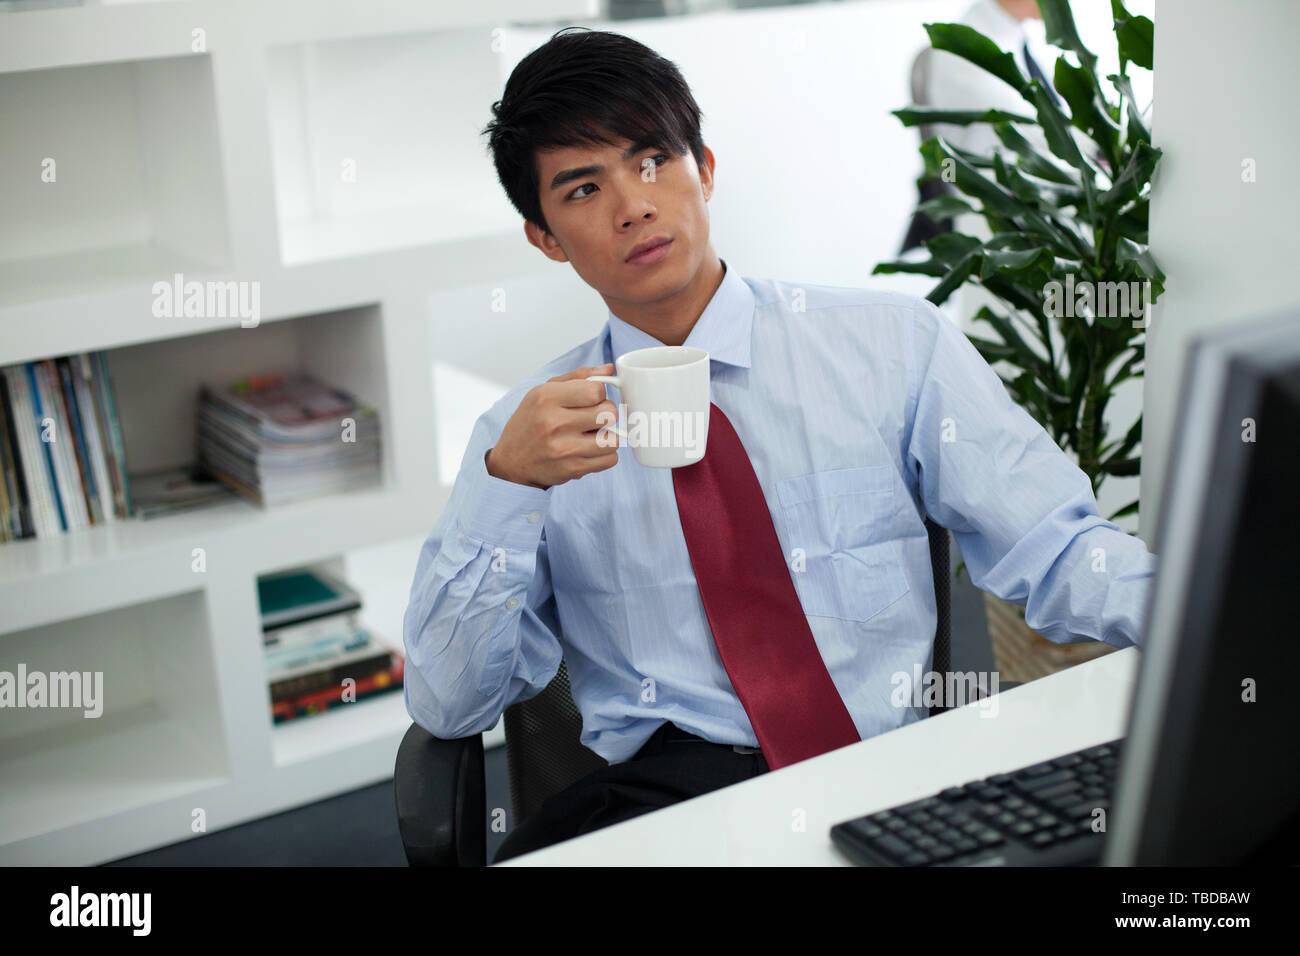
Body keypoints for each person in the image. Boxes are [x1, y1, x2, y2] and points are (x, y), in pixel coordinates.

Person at [402, 27, 1157, 864]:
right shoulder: (529, 434)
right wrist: (506, 487)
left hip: (890, 772)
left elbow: (1057, 551)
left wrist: (1233, 620)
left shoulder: (892, 344)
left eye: (652, 160)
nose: (633, 206)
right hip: (672, 804)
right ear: (545, 236)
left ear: (706, 169)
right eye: (582, 189)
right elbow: (450, 705)